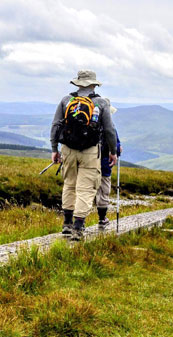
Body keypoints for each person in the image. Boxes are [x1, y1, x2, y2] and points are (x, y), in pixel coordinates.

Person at [51, 70, 118, 241]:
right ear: (94, 85)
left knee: (69, 184)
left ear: (77, 84)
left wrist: (54, 149)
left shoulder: (66, 101)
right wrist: (112, 152)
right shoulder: (101, 103)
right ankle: (78, 227)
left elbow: (56, 125)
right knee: (86, 188)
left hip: (68, 149)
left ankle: (66, 223)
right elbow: (110, 131)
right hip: (90, 151)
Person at [95, 99, 121, 230]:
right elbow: (116, 145)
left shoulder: (91, 124)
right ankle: (102, 219)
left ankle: (78, 222)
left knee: (87, 189)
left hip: (89, 161)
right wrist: (117, 150)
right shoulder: (110, 126)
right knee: (104, 190)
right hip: (105, 161)